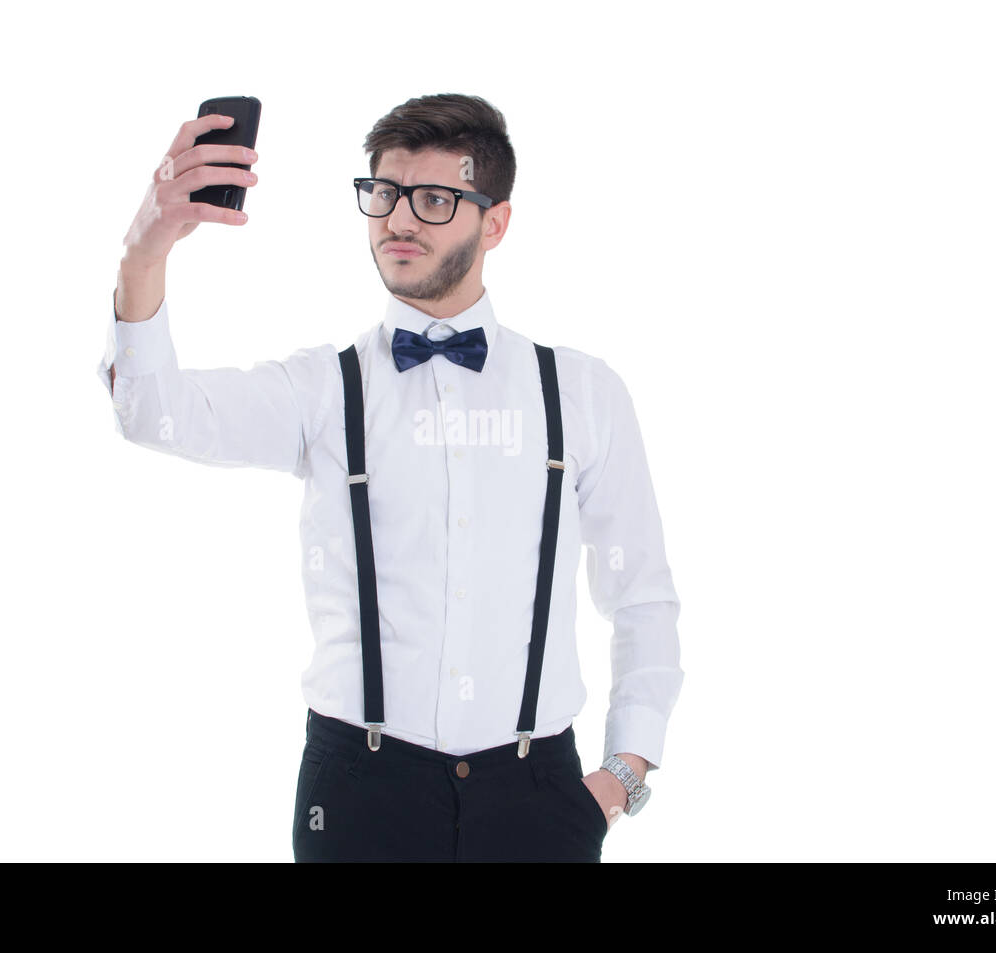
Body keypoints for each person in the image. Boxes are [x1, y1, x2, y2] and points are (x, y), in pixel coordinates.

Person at [97, 93, 683, 862]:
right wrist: (145, 252)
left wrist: (622, 773)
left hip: (538, 796)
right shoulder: (321, 390)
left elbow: (641, 596)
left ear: (495, 222)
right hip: (358, 793)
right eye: (385, 194)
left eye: (435, 199)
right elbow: (152, 410)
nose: (400, 219)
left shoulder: (580, 392)